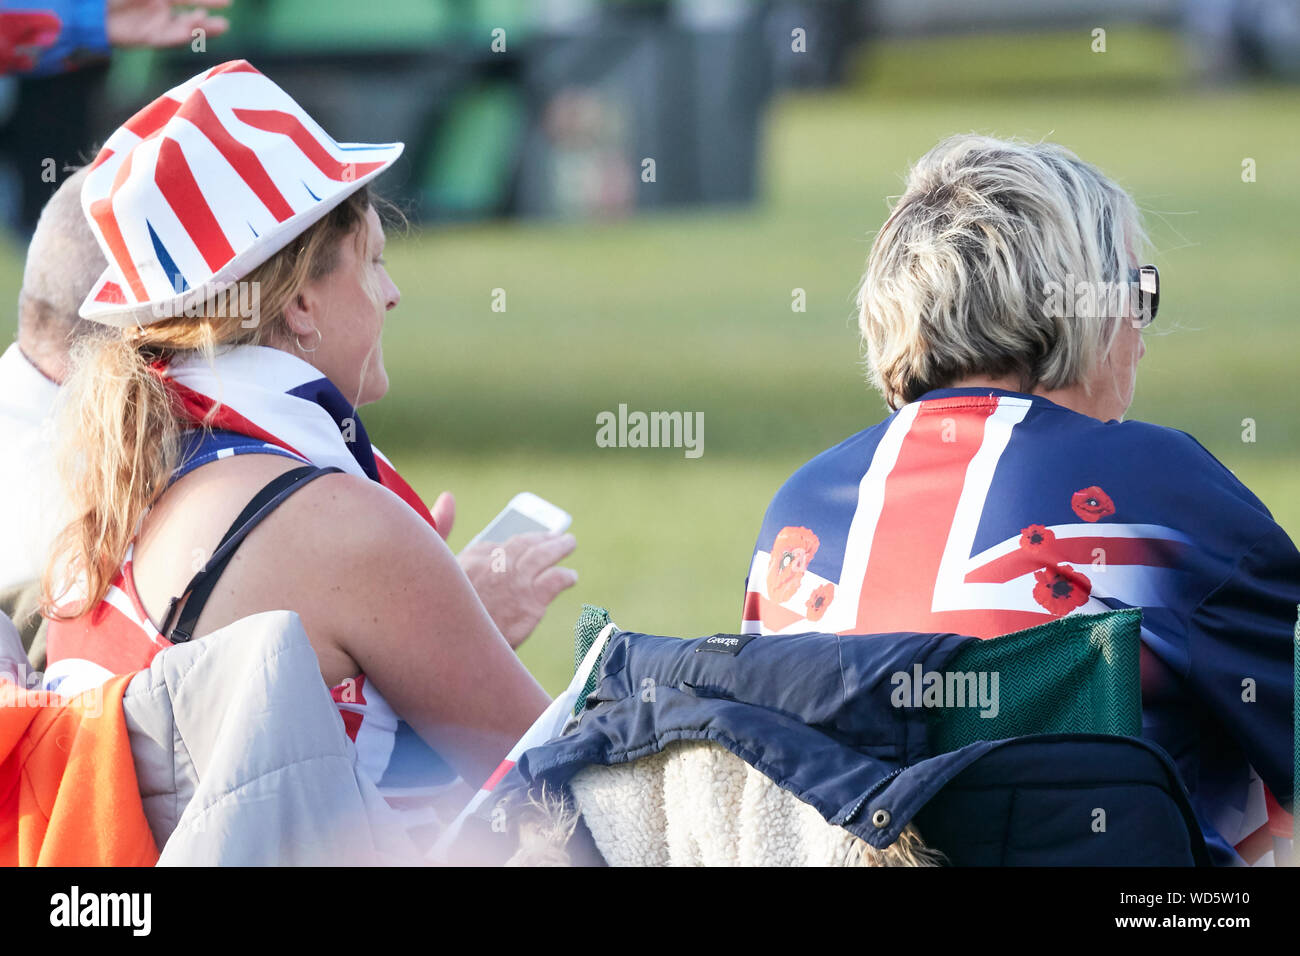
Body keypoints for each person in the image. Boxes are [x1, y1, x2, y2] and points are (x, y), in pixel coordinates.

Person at [38, 60, 570, 835]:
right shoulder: (337, 527)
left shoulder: (107, 486)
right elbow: (562, 782)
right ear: (299, 302)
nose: (391, 293)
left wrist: (429, 629)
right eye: (375, 259)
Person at [740, 134, 1297, 866]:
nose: (1140, 330)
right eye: (1138, 292)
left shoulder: (800, 511)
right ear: (1087, 307)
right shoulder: (1162, 488)